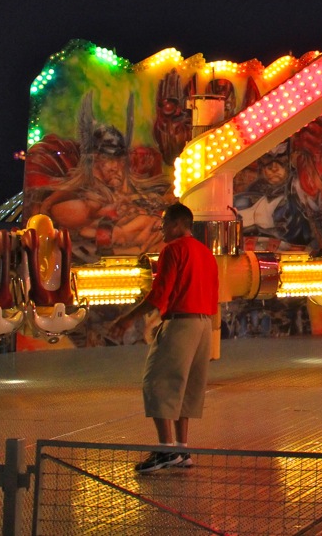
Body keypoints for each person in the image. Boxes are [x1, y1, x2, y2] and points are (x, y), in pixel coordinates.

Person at [110, 202, 218, 474]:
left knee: (158, 382)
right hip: (204, 324)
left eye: (165, 222)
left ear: (180, 224)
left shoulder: (172, 250)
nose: (161, 228)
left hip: (181, 323)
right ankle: (181, 450)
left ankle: (166, 450)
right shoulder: (206, 253)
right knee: (186, 388)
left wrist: (127, 318)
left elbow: (160, 296)